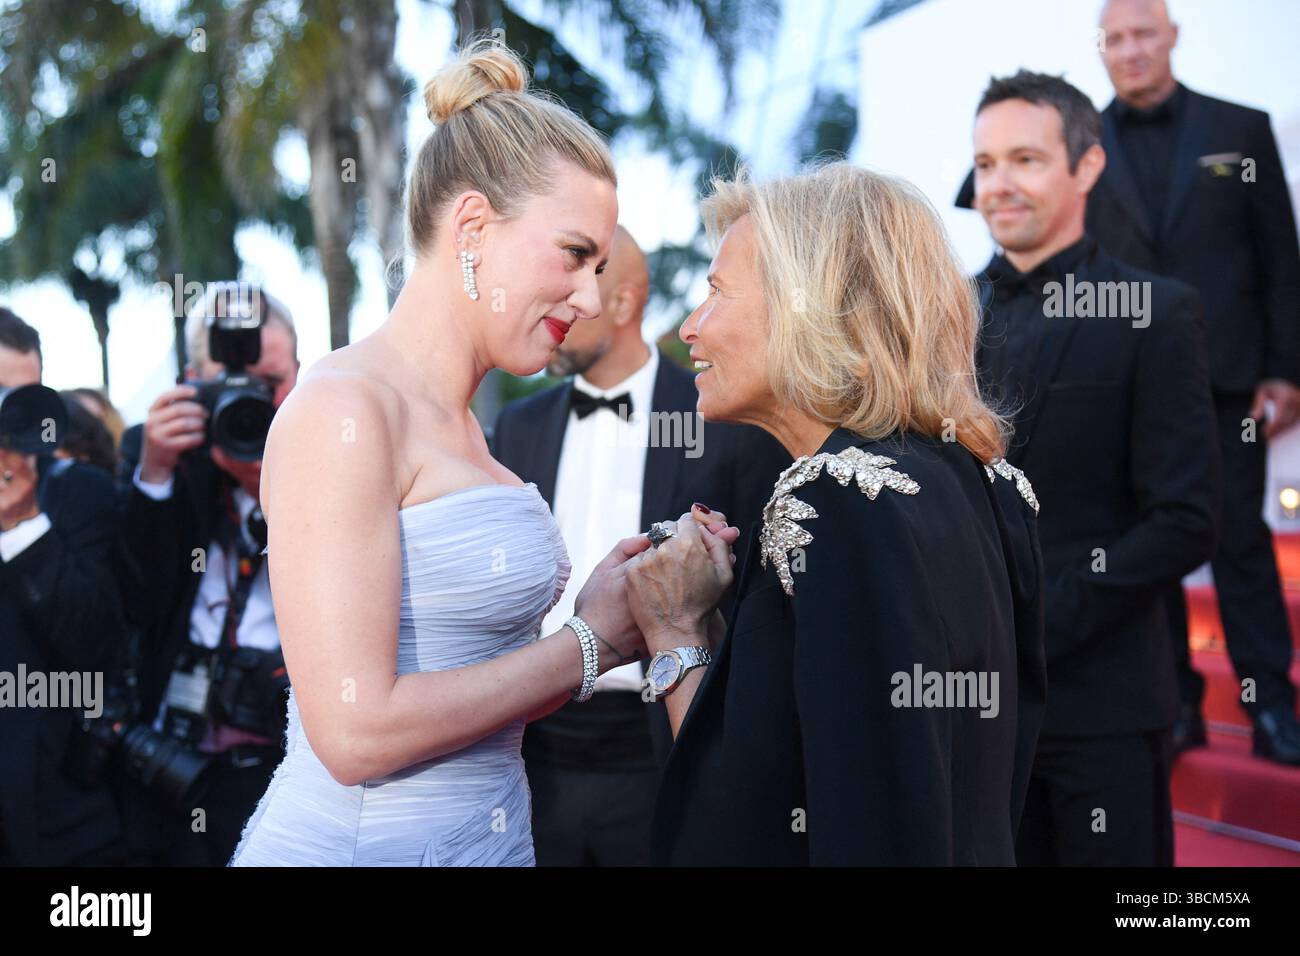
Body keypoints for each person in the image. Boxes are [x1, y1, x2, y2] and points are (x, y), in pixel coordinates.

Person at [228, 40, 722, 867]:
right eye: (572, 255)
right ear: (472, 225)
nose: (591, 298)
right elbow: (354, 731)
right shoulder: (345, 409)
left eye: (600, 267)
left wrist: (603, 602)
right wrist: (588, 645)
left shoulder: (462, 424)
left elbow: (472, 672)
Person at [625, 162, 1048, 865]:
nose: (691, 329)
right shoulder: (991, 480)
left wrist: (674, 633)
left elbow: (748, 822)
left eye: (717, 293)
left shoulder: (834, 500)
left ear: (807, 304)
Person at [971, 70, 1220, 865]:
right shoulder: (940, 317)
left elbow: (1185, 518)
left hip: (1103, 708)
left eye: (1025, 160)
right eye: (984, 164)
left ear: (1086, 167)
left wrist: (1038, 621)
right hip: (968, 711)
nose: (999, 185)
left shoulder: (1159, 312)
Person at [492, 224, 788, 866]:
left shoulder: (722, 414)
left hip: (662, 739)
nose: (562, 302)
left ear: (623, 303)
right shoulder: (516, 425)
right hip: (534, 745)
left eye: (582, 283)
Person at [1090, 0, 1300, 764]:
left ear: (1172, 36)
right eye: (1116, 38)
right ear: (1101, 49)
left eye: (1144, 33)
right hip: (1121, 386)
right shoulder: (1080, 147)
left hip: (1227, 381)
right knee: (1147, 550)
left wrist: (1285, 368)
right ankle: (1176, 704)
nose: (1132, 49)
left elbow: (1280, 257)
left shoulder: (1239, 130)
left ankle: (1271, 706)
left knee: (1239, 540)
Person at [116, 285, 301, 865]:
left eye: (271, 385)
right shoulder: (161, 453)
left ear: (302, 374)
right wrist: (155, 475)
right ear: (194, 380)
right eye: (231, 385)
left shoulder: (339, 455)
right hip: (178, 756)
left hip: (291, 757)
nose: (252, 402)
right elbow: (138, 602)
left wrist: (268, 488)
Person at [0, 307, 127, 865]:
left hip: (53, 824)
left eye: (21, 397)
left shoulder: (80, 494)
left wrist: (24, 526)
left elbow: (98, 648)